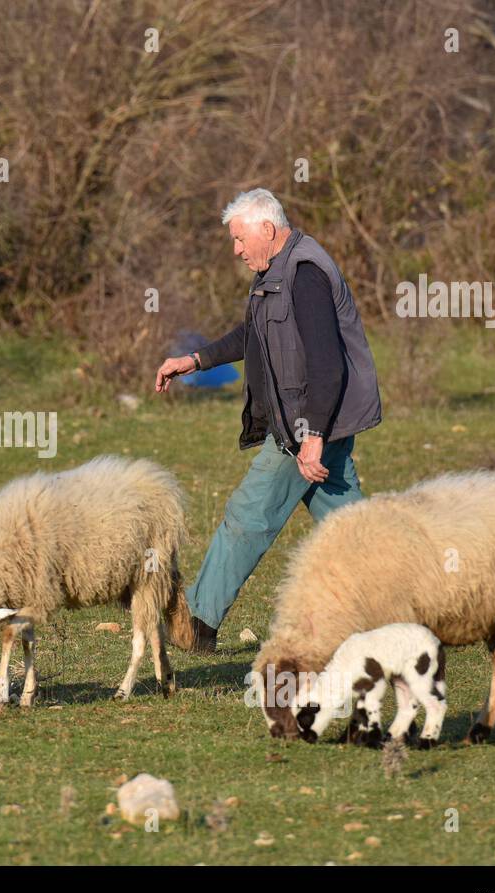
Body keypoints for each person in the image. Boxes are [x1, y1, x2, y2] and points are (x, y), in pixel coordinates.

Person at [154, 188, 382, 650]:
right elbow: (251, 335)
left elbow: (327, 363)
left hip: (304, 429)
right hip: (309, 426)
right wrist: (195, 360)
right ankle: (406, 607)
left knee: (247, 515)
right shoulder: (275, 273)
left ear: (267, 230)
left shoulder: (304, 276)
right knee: (354, 531)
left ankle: (196, 622)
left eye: (239, 239)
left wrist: (313, 436)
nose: (236, 250)